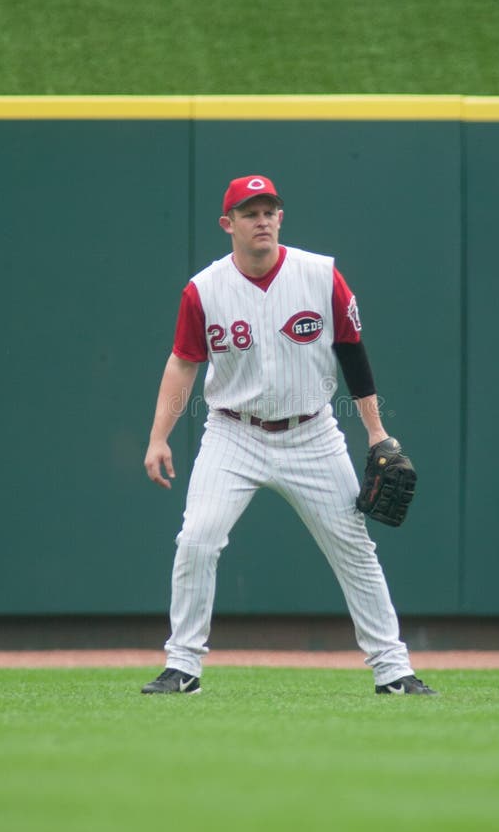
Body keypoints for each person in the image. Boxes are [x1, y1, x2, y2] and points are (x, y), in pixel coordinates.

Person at [142, 174, 436, 697]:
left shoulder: (320, 275)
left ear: (280, 217)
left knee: (353, 547)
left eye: (269, 210)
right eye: (249, 212)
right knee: (197, 540)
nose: (261, 220)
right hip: (233, 433)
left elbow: (353, 354)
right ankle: (182, 666)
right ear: (226, 224)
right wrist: (158, 436)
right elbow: (184, 363)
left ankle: (394, 670)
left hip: (312, 434)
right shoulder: (204, 289)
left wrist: (376, 432)